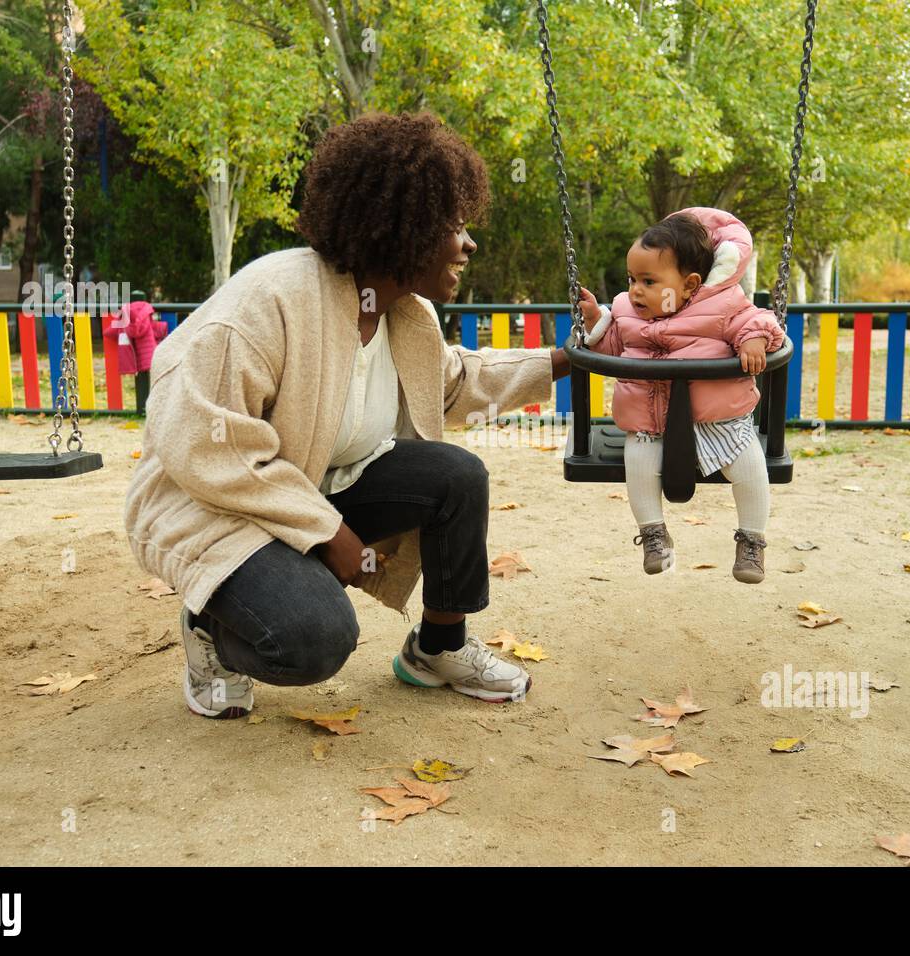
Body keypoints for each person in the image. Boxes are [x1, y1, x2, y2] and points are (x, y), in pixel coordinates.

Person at [123, 112, 573, 718]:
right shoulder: (271, 301)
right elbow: (206, 445)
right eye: (455, 226)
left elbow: (456, 383)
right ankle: (212, 628)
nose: (469, 245)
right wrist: (329, 534)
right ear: (402, 226)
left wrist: (569, 359)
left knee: (456, 478)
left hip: (314, 486)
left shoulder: (404, 316)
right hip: (215, 507)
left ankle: (438, 648)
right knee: (315, 638)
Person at [576, 208, 784, 582]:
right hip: (649, 421)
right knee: (637, 463)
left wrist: (753, 339)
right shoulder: (626, 310)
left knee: (750, 466)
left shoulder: (722, 304)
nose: (635, 290)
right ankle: (654, 533)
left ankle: (752, 539)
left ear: (689, 284)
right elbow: (612, 346)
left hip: (719, 421)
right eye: (632, 279)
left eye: (649, 281)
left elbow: (758, 321)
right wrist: (595, 322)